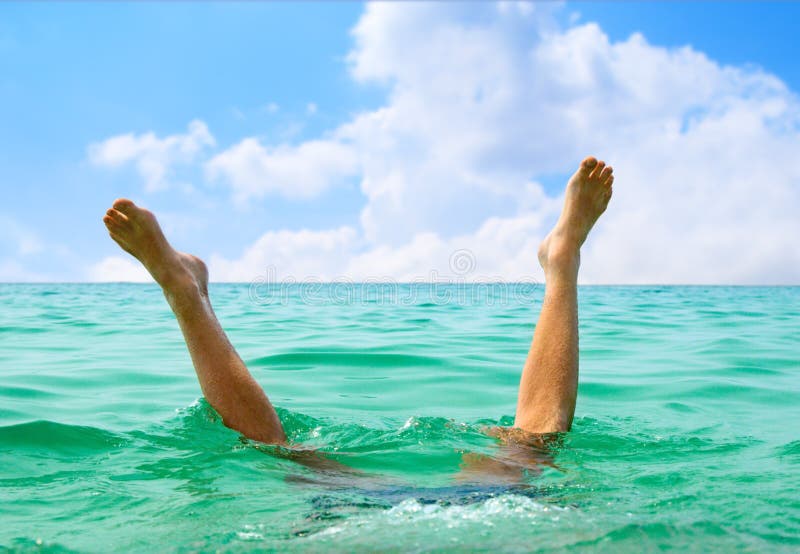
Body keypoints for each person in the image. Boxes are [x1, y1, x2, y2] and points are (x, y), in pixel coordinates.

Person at [101, 156, 613, 446]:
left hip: (351, 520)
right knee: (533, 450)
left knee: (277, 456)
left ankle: (185, 291)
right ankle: (562, 260)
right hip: (459, 516)